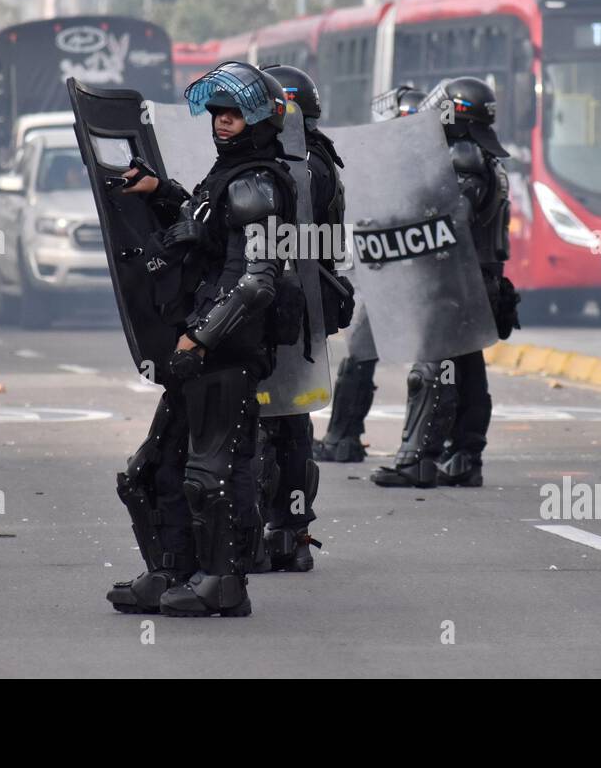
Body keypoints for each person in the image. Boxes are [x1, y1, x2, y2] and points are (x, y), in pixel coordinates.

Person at [105, 62, 298, 617]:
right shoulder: (227, 177)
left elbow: (255, 282)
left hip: (226, 350)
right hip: (195, 347)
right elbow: (204, 228)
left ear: (259, 120)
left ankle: (223, 582)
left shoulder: (257, 184)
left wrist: (199, 339)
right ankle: (169, 571)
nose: (222, 123)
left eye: (233, 115)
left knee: (211, 476)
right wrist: (160, 191)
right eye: (217, 114)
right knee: (151, 469)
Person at [371, 77, 517, 489]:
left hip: (455, 282)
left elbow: (452, 220)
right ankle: (465, 457)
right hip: (479, 281)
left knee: (432, 370)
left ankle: (417, 459)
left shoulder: (463, 156)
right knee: (466, 371)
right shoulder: (486, 157)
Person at [247, 64, 352, 572]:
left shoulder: (296, 162)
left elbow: (280, 237)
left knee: (272, 420)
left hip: (282, 304)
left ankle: (276, 531)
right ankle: (289, 532)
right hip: (302, 303)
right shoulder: (318, 156)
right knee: (289, 420)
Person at [315, 84, 427, 464]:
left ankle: (420, 449)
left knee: (427, 366)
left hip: (411, 278)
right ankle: (344, 436)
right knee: (361, 355)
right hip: (392, 277)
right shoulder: (390, 164)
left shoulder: (430, 166)